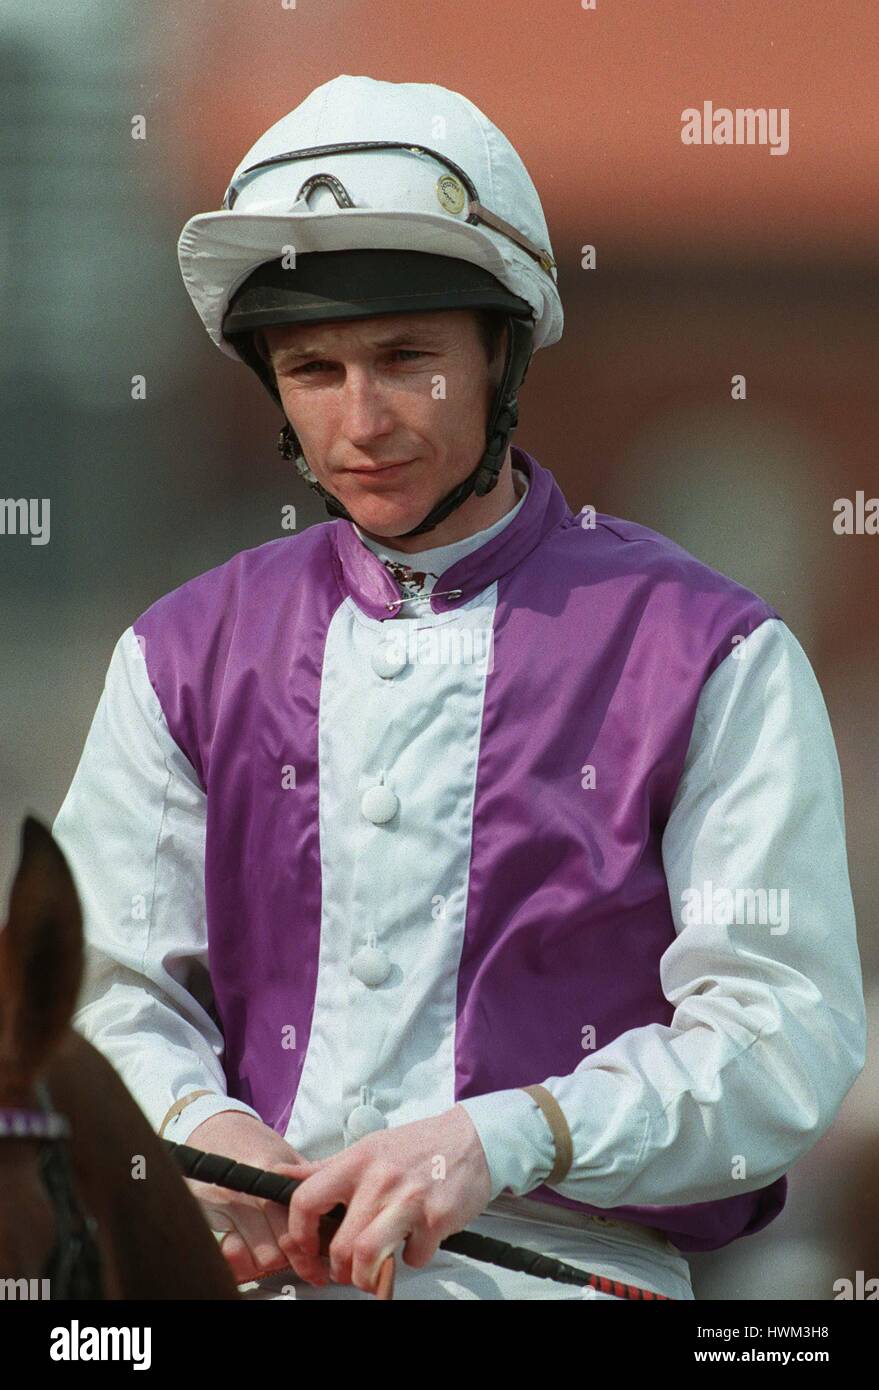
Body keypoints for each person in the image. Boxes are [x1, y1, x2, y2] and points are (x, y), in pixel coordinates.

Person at [52, 74, 866, 1302]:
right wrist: (197, 1131)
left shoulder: (711, 650)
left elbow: (783, 1037)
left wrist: (505, 1139)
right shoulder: (177, 653)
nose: (361, 418)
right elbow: (99, 990)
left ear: (503, 353)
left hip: (569, 1273)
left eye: (405, 358)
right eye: (314, 368)